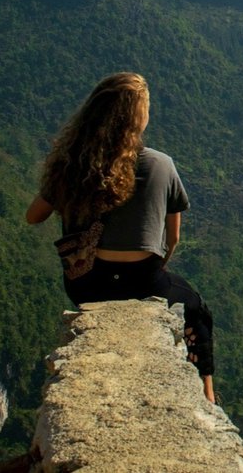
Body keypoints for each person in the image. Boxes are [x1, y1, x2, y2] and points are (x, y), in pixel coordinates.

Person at [25, 72, 215, 403]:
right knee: (196, 307)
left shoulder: (75, 165)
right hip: (144, 284)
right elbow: (172, 240)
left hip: (86, 285)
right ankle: (208, 394)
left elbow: (33, 216)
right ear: (139, 117)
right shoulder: (160, 164)